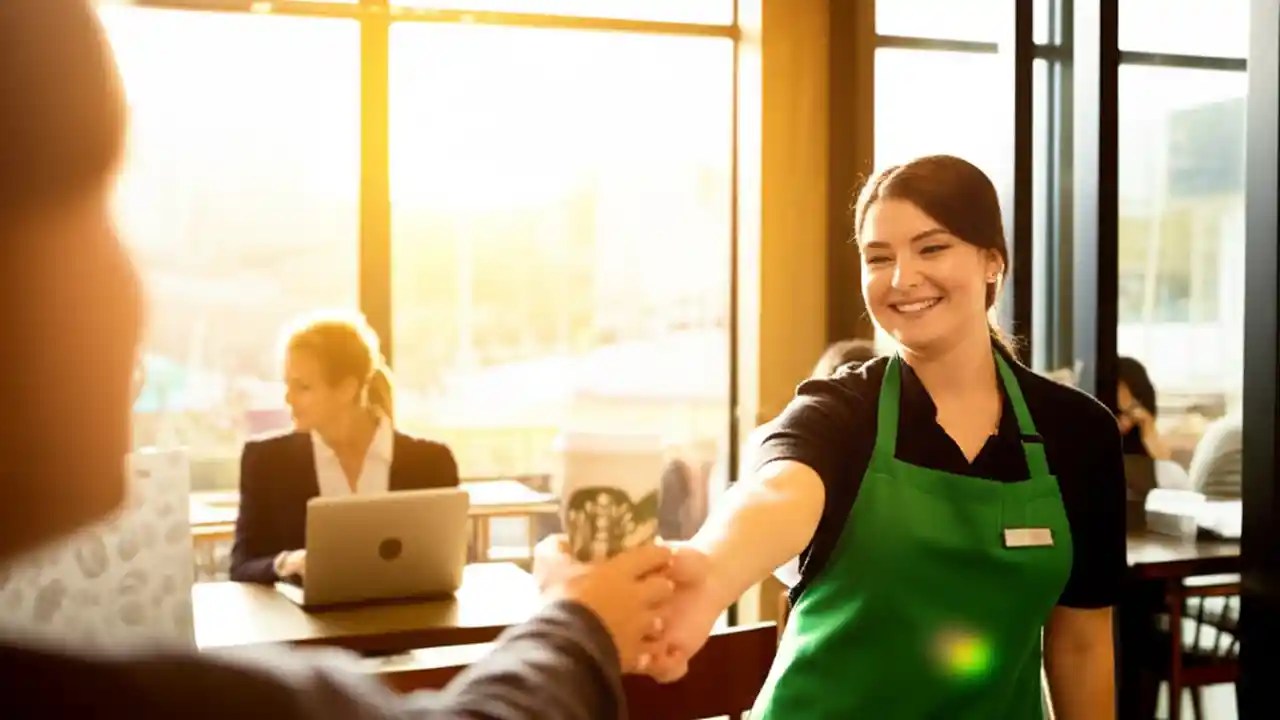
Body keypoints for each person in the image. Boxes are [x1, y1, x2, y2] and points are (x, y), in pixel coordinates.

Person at [0, 2, 682, 717]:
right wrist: (581, 624)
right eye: (95, 202)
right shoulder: (197, 694)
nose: (134, 293)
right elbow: (247, 566)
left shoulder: (427, 461)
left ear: (353, 385)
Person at [647, 155, 1125, 719]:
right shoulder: (841, 411)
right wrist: (708, 570)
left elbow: (1081, 642)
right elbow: (776, 493)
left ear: (993, 261)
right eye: (879, 257)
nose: (902, 278)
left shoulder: (1077, 432)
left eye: (931, 247)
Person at [230, 312, 458, 583]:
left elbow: (449, 566)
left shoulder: (432, 462)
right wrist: (289, 562)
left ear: (347, 389)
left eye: (303, 387)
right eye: (287, 384)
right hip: (306, 625)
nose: (288, 398)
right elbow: (242, 567)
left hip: (413, 622)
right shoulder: (266, 462)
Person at [1115, 356, 1173, 461]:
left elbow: (1165, 466)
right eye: (1118, 413)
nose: (1125, 422)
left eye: (1131, 412)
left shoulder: (1142, 430)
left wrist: (1149, 434)